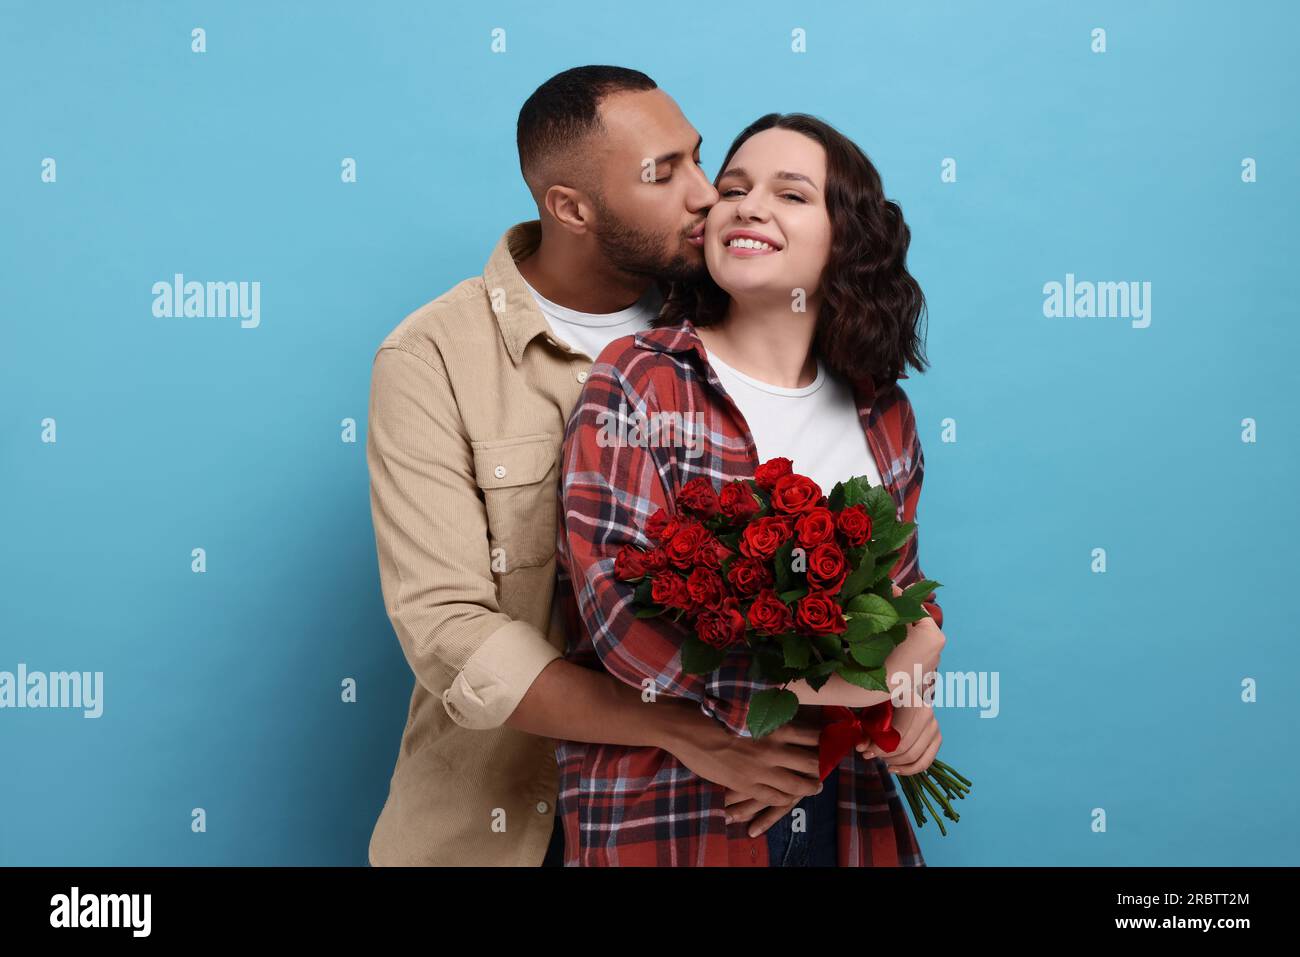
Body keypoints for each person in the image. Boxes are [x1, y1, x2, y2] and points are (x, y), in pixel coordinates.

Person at [364, 67, 824, 867]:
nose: (707, 195)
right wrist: (680, 728)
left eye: (697, 159)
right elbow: (450, 631)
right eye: (663, 174)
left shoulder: (740, 314)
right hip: (512, 827)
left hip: (709, 818)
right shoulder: (431, 357)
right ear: (571, 208)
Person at [556, 112, 947, 866]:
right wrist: (828, 698)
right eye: (733, 188)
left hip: (843, 805)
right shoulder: (640, 380)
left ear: (847, 238)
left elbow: (901, 607)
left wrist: (908, 706)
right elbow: (617, 619)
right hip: (679, 808)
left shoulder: (882, 408)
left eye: (791, 194)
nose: (747, 204)